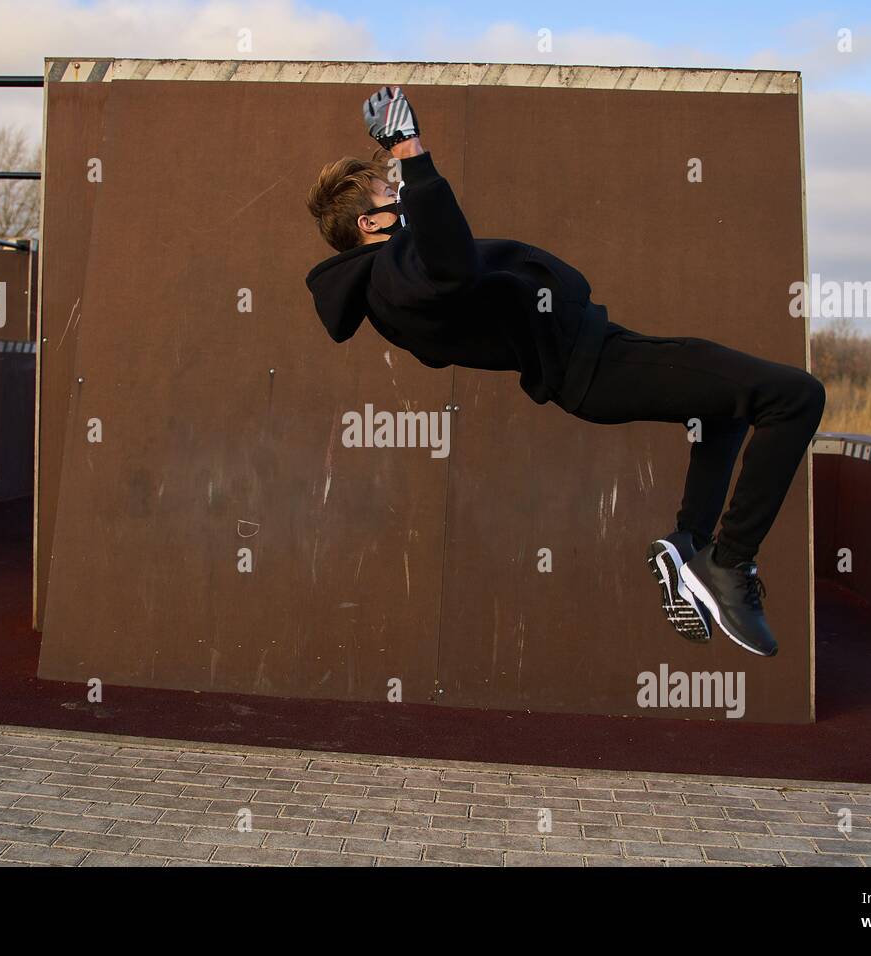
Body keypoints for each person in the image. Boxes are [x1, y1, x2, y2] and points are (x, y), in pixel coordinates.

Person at [304, 86, 825, 657]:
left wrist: (403, 168)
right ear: (369, 224)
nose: (403, 197)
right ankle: (730, 563)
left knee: (723, 409)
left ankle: (691, 547)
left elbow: (442, 256)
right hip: (595, 364)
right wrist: (408, 147)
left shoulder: (392, 278)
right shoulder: (391, 277)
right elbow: (451, 263)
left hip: (596, 355)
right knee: (794, 396)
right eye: (390, 195)